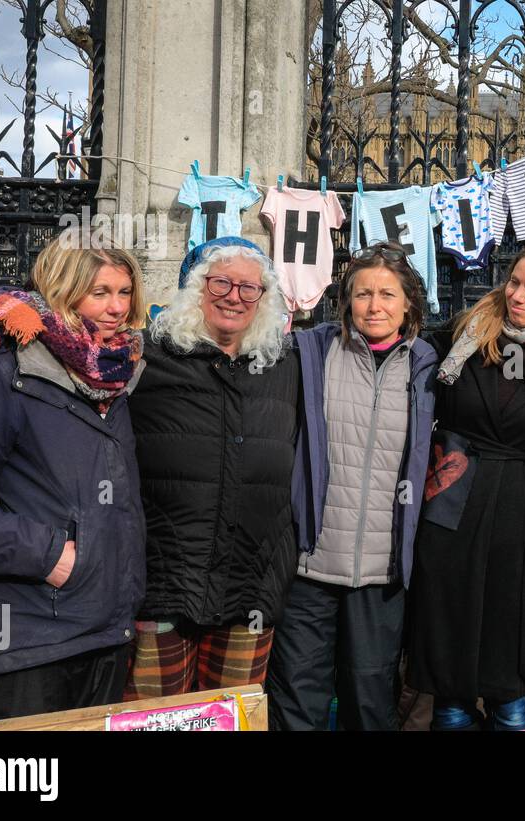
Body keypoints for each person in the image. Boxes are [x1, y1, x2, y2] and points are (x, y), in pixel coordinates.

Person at [0, 229, 147, 721]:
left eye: (124, 292)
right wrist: (51, 555)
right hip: (27, 639)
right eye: (100, 292)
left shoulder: (114, 376)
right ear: (62, 290)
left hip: (106, 634)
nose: (116, 308)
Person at [407, 241, 525, 731]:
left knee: (509, 678)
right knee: (451, 681)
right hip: (451, 508)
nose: (516, 295)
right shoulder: (468, 331)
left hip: (519, 515)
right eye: (514, 281)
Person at [268, 241, 438, 731]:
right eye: (363, 294)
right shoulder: (311, 350)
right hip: (310, 565)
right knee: (298, 699)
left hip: (382, 574)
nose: (374, 306)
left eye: (387, 294)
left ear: (408, 303)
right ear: (346, 301)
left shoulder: (429, 366)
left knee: (369, 702)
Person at [123, 237, 299, 700]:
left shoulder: (285, 366)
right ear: (194, 288)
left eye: (249, 288)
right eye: (220, 282)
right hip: (160, 583)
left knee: (234, 719)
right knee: (152, 722)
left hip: (250, 586)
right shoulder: (145, 357)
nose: (234, 296)